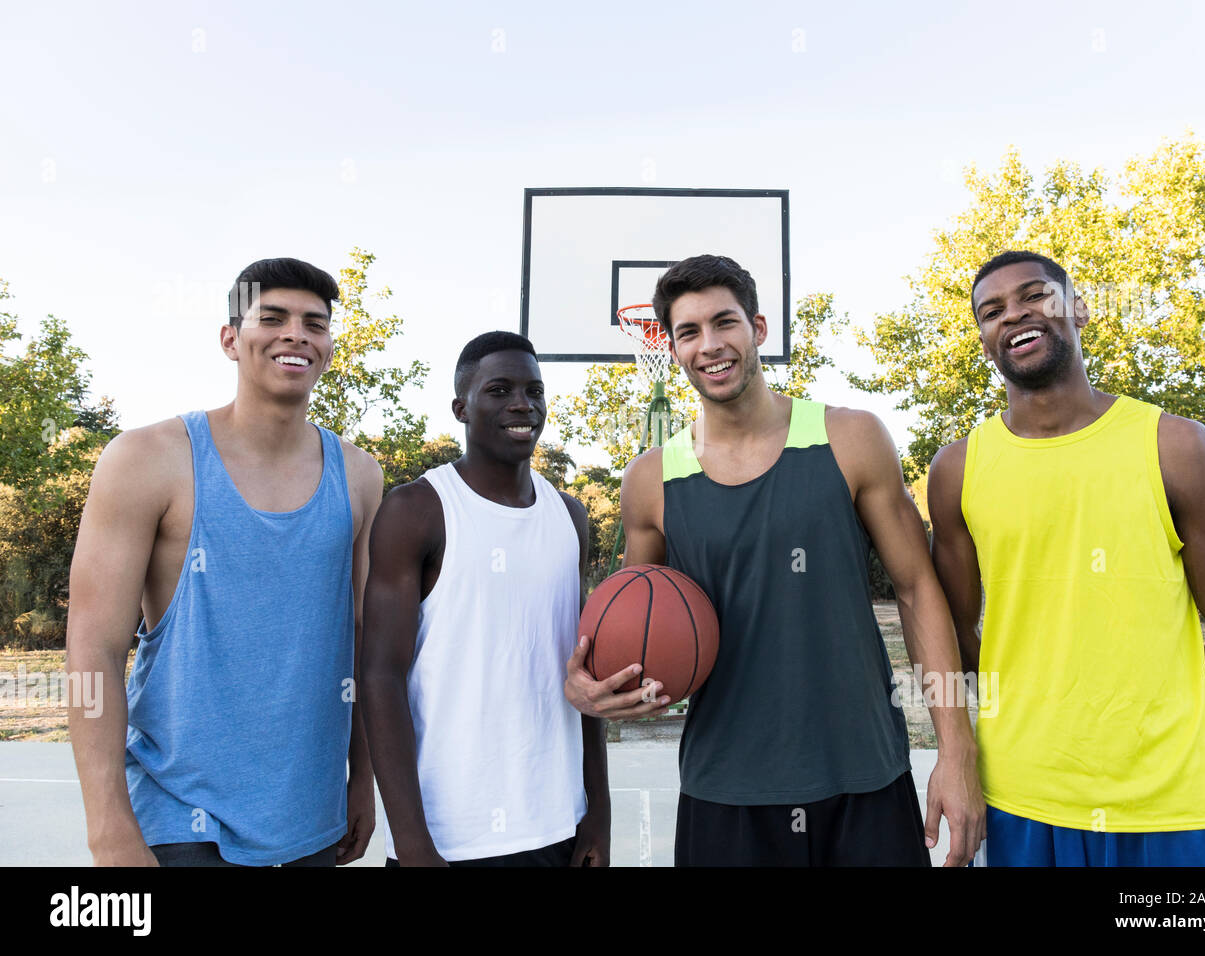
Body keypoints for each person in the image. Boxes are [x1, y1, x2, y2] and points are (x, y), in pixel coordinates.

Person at [565, 255, 983, 866]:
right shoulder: (651, 480)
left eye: (724, 323)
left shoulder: (852, 437)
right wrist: (594, 685)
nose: (710, 345)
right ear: (672, 348)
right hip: (726, 787)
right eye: (688, 332)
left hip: (863, 774)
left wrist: (956, 751)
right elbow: (632, 624)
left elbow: (918, 589)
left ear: (758, 329)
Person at [926, 250, 1205, 866]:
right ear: (983, 339)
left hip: (1172, 806)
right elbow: (952, 634)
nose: (1014, 315)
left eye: (1035, 296)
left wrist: (1177, 745)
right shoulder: (957, 470)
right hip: (1019, 798)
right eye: (992, 310)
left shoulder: (1176, 445)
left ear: (1079, 309)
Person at [66, 257, 382, 867]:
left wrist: (361, 779)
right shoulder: (146, 459)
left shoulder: (361, 476)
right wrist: (107, 824)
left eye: (315, 324)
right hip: (178, 818)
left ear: (329, 348)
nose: (296, 333)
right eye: (273, 317)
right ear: (231, 339)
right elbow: (91, 648)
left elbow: (366, 641)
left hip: (309, 819)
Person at [361, 331, 610, 867]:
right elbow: (380, 677)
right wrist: (411, 841)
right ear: (461, 408)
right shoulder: (418, 510)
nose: (523, 404)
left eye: (534, 391)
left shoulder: (569, 516)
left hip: (557, 825)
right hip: (450, 838)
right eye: (500, 390)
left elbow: (582, 669)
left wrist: (598, 812)